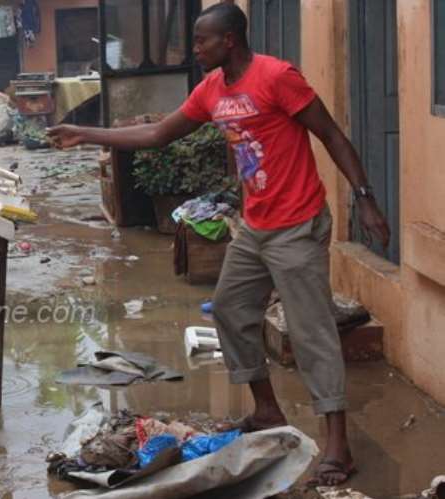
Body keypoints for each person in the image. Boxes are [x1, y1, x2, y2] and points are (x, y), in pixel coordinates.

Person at [48, 3, 390, 487]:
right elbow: (157, 133)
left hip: (297, 223)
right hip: (255, 225)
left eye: (201, 41)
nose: (195, 49)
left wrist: (365, 198)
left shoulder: (278, 77)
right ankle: (267, 410)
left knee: (311, 332)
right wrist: (85, 133)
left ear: (229, 40)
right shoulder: (212, 89)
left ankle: (339, 444)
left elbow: (331, 134)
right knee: (230, 310)